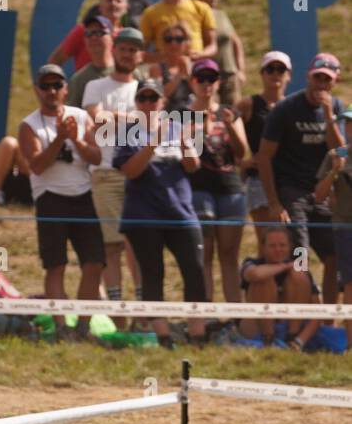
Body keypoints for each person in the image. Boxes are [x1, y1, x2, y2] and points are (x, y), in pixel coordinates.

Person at [113, 78, 208, 347]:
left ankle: (197, 335)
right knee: (152, 274)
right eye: (142, 99)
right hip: (143, 217)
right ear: (136, 103)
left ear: (162, 102)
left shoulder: (178, 126)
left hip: (181, 213)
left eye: (152, 98)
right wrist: (153, 143)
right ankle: (163, 336)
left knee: (195, 272)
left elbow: (193, 167)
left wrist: (186, 144)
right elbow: (130, 170)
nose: (148, 104)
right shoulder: (127, 131)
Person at [17, 64, 105, 339]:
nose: (51, 91)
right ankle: (60, 326)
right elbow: (37, 166)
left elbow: (96, 157)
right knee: (55, 265)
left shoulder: (80, 117)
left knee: (94, 264)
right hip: (50, 199)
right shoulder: (29, 125)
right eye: (45, 86)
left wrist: (75, 139)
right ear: (37, 90)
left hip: (83, 196)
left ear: (66, 89)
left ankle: (82, 325)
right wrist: (59, 138)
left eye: (57, 86)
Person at [257, 54, 346, 306]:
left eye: (326, 80)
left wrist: (328, 116)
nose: (321, 84)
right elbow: (264, 157)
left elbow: (341, 152)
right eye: (317, 77)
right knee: (300, 256)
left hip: (321, 193)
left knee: (334, 257)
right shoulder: (285, 110)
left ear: (334, 82)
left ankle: (328, 318)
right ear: (308, 75)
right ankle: (303, 316)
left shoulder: (337, 109)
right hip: (292, 192)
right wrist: (274, 203)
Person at [82, 26, 146, 311]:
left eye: (133, 49)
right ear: (114, 50)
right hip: (106, 173)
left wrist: (118, 119)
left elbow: (152, 124)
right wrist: (134, 118)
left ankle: (143, 305)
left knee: (138, 245)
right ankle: (116, 307)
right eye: (123, 48)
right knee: (111, 245)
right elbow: (97, 119)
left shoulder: (145, 89)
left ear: (140, 55)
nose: (128, 54)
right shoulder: (95, 86)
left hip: (140, 173)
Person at [183, 58, 247, 305]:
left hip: (230, 188)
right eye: (201, 79)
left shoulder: (230, 112)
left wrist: (229, 126)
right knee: (204, 253)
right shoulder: (183, 115)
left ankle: (236, 314)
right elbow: (184, 151)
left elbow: (242, 155)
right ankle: (206, 313)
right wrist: (200, 126)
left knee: (230, 255)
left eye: (212, 79)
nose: (206, 85)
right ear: (192, 83)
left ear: (219, 83)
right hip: (198, 188)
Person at [237, 51, 291, 249]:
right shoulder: (249, 105)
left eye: (281, 69)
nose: (275, 74)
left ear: (288, 75)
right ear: (262, 73)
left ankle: (300, 275)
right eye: (270, 69)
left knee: (296, 237)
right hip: (259, 180)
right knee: (268, 240)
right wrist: (240, 162)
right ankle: (265, 279)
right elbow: (222, 133)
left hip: (289, 181)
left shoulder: (293, 105)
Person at [237, 228, 322, 350]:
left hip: (291, 326)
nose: (278, 250)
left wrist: (300, 341)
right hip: (256, 326)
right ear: (263, 247)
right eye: (272, 246)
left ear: (289, 247)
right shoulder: (251, 262)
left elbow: (318, 310)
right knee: (264, 278)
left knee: (298, 275)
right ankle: (268, 338)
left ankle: (293, 337)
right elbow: (255, 274)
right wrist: (285, 266)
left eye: (282, 245)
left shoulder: (299, 270)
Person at [139, 0, 216, 63]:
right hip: (164, 71)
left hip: (195, 66)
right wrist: (160, 57)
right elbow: (141, 51)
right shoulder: (150, 13)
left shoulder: (201, 8)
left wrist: (200, 55)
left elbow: (213, 46)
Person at [314, 131, 352, 341]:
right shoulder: (335, 155)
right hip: (346, 227)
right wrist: (334, 172)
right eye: (348, 123)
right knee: (350, 284)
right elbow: (319, 195)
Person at [188, 0, 243, 105]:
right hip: (205, 78)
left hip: (229, 74)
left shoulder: (220, 15)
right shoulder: (190, 17)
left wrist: (240, 70)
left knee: (232, 114)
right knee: (211, 114)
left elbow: (235, 41)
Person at [63, 14, 114, 106]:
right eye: (88, 34)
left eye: (99, 33)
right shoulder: (78, 80)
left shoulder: (127, 73)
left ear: (112, 37)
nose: (93, 38)